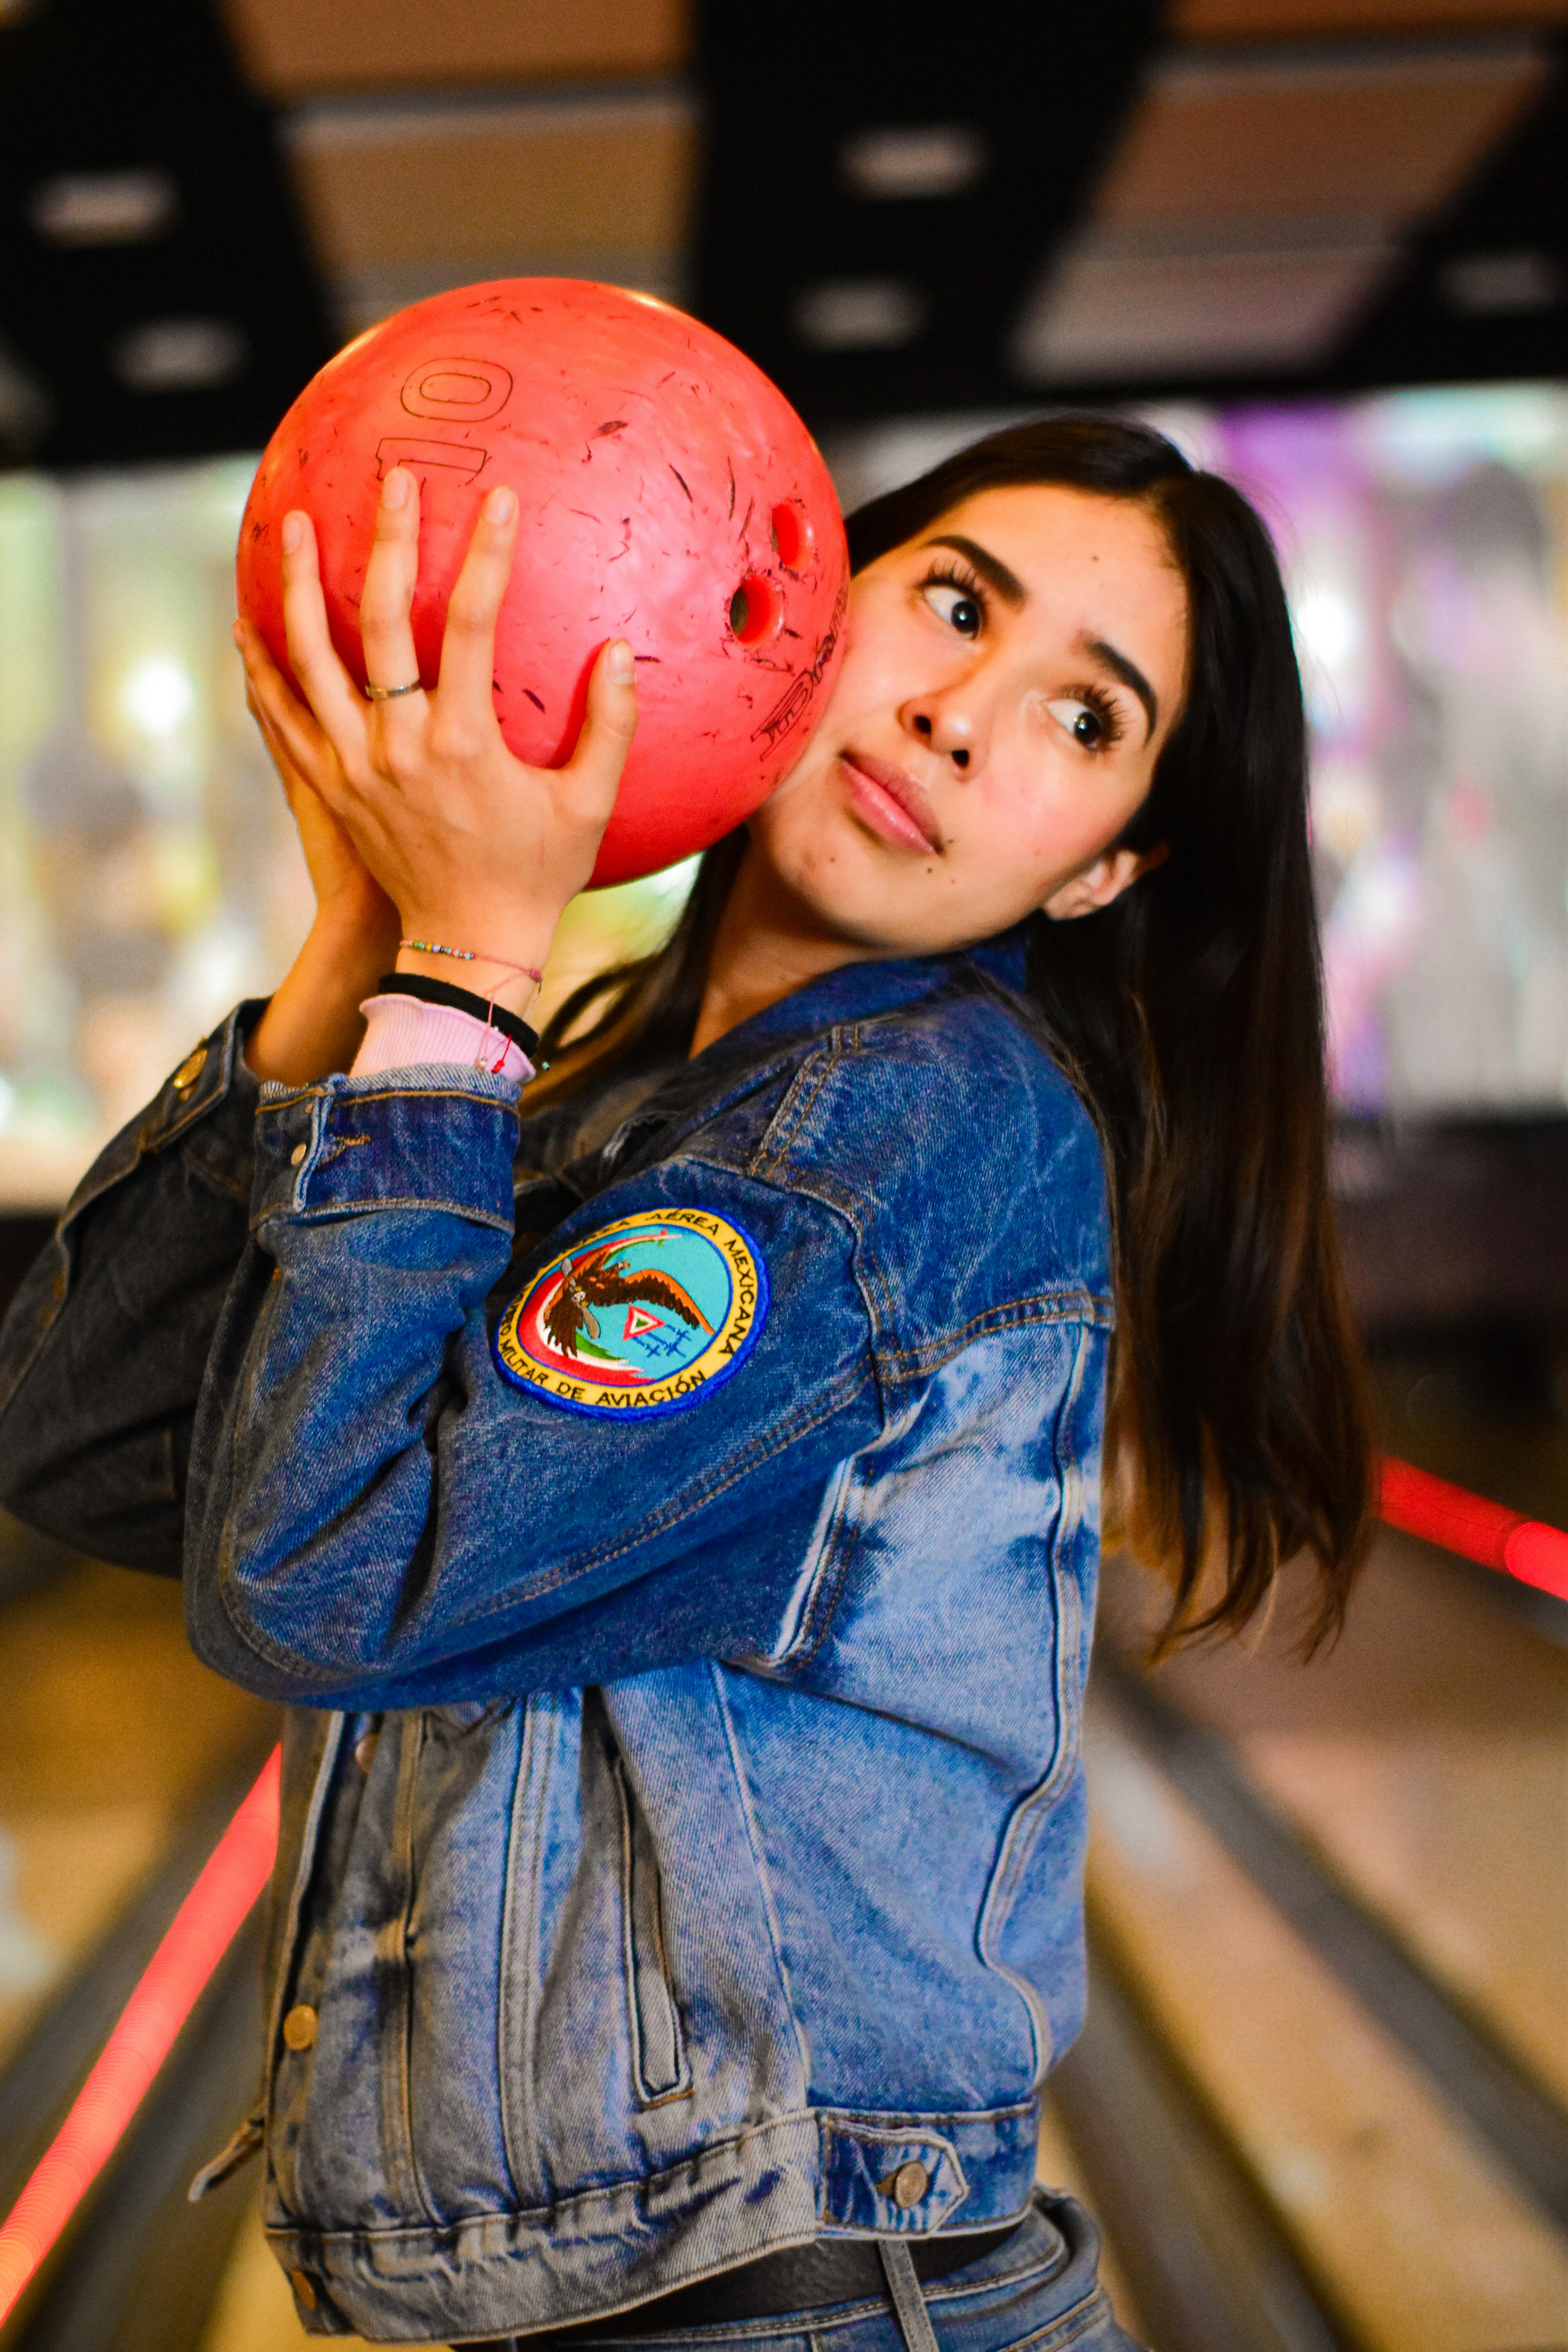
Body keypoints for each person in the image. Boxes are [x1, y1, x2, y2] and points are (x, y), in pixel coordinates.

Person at [0, 416, 1374, 2350]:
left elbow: (321, 1574)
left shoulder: (913, 1126)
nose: (967, 718)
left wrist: (469, 963)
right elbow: (89, 1449)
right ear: (791, 622)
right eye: (954, 606)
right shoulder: (623, 1114)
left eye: (1086, 722)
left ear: (1102, 873)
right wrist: (361, 952)